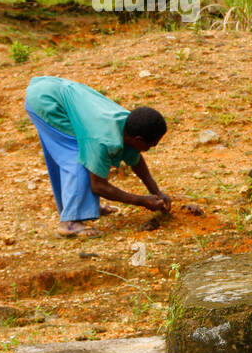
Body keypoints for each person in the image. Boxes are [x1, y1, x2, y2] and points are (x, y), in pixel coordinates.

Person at [23, 75, 172, 237]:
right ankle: (70, 223)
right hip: (45, 101)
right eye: (150, 145)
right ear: (138, 140)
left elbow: (136, 160)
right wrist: (141, 200)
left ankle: (84, 206)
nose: (149, 149)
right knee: (77, 158)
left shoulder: (127, 124)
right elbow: (98, 186)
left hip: (55, 90)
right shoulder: (101, 139)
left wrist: (157, 192)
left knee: (84, 154)